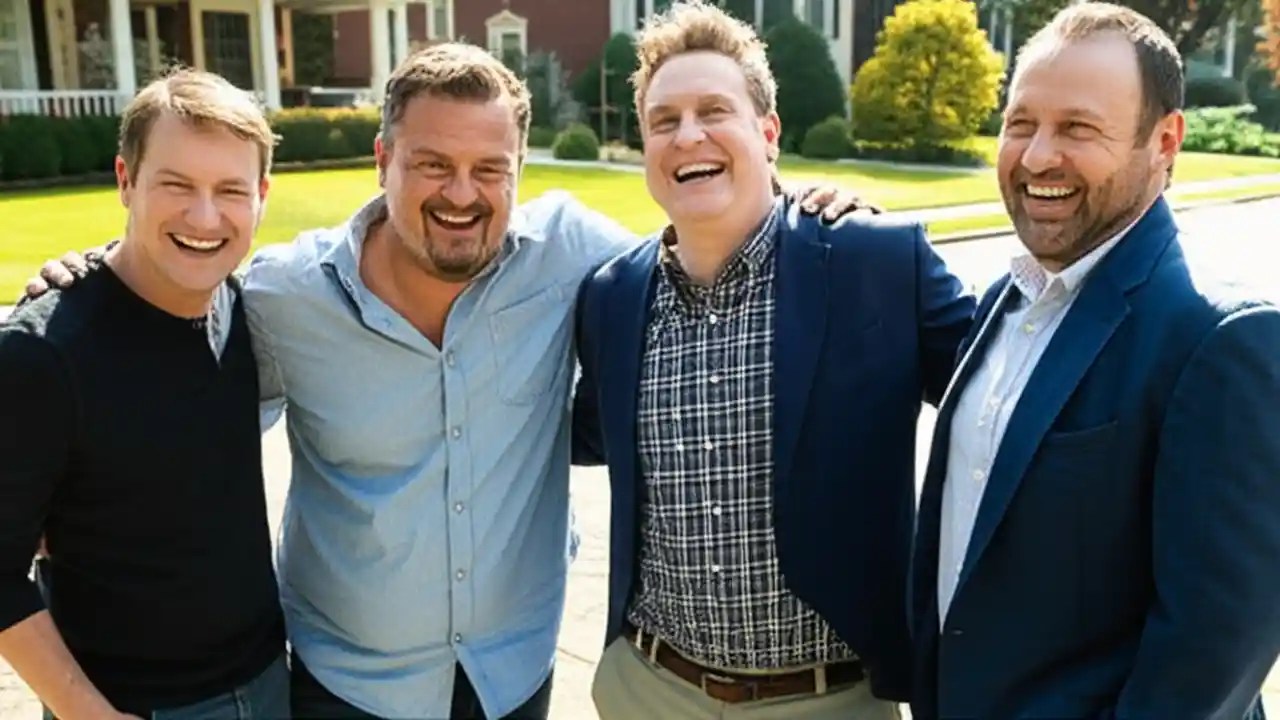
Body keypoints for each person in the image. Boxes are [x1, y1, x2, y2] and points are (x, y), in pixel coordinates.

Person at [24, 44, 866, 720]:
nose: (462, 195)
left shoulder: (575, 254)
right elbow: (161, 352)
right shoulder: (284, 295)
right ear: (383, 159)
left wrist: (801, 207)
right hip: (344, 687)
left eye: (490, 169)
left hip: (513, 678)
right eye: (432, 164)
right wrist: (89, 279)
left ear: (520, 168)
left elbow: (708, 242)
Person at [571, 3, 975, 718]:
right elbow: (577, 435)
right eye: (664, 120)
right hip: (650, 688)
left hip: (833, 699)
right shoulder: (611, 297)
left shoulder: (875, 263)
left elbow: (1010, 403)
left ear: (768, 133)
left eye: (713, 111)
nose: (687, 135)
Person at [909, 4, 1280, 719]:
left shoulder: (1222, 340)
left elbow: (1214, 652)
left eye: (1078, 128)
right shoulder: (1005, 302)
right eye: (1021, 123)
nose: (1037, 157)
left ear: (1164, 141)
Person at [0, 70, 289, 720]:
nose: (205, 217)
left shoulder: (243, 311)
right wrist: (88, 713)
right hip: (133, 705)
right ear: (126, 180)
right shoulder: (44, 353)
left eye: (230, 190)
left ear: (262, 195)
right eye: (176, 185)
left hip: (269, 683)